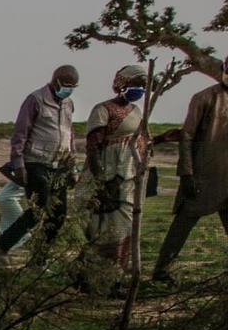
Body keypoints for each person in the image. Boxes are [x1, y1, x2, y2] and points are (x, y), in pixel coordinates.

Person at [152, 65, 228, 288]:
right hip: (203, 175)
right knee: (183, 224)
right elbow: (187, 137)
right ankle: (161, 271)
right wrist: (186, 173)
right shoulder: (205, 97)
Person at [78, 66, 149, 296]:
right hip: (108, 180)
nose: (139, 89)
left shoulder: (137, 111)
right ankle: (96, 280)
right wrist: (100, 182)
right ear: (121, 84)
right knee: (104, 229)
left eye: (142, 86)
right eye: (135, 84)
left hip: (128, 179)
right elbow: (93, 147)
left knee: (125, 229)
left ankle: (115, 279)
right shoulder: (103, 110)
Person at [0, 64, 79, 254]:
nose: (69, 89)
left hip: (59, 163)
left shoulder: (69, 104)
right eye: (67, 84)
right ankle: (1, 245)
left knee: (58, 215)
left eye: (73, 86)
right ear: (56, 80)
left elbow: (69, 134)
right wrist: (18, 164)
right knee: (39, 208)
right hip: (35, 161)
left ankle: (39, 257)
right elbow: (20, 134)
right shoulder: (35, 99)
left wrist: (73, 167)